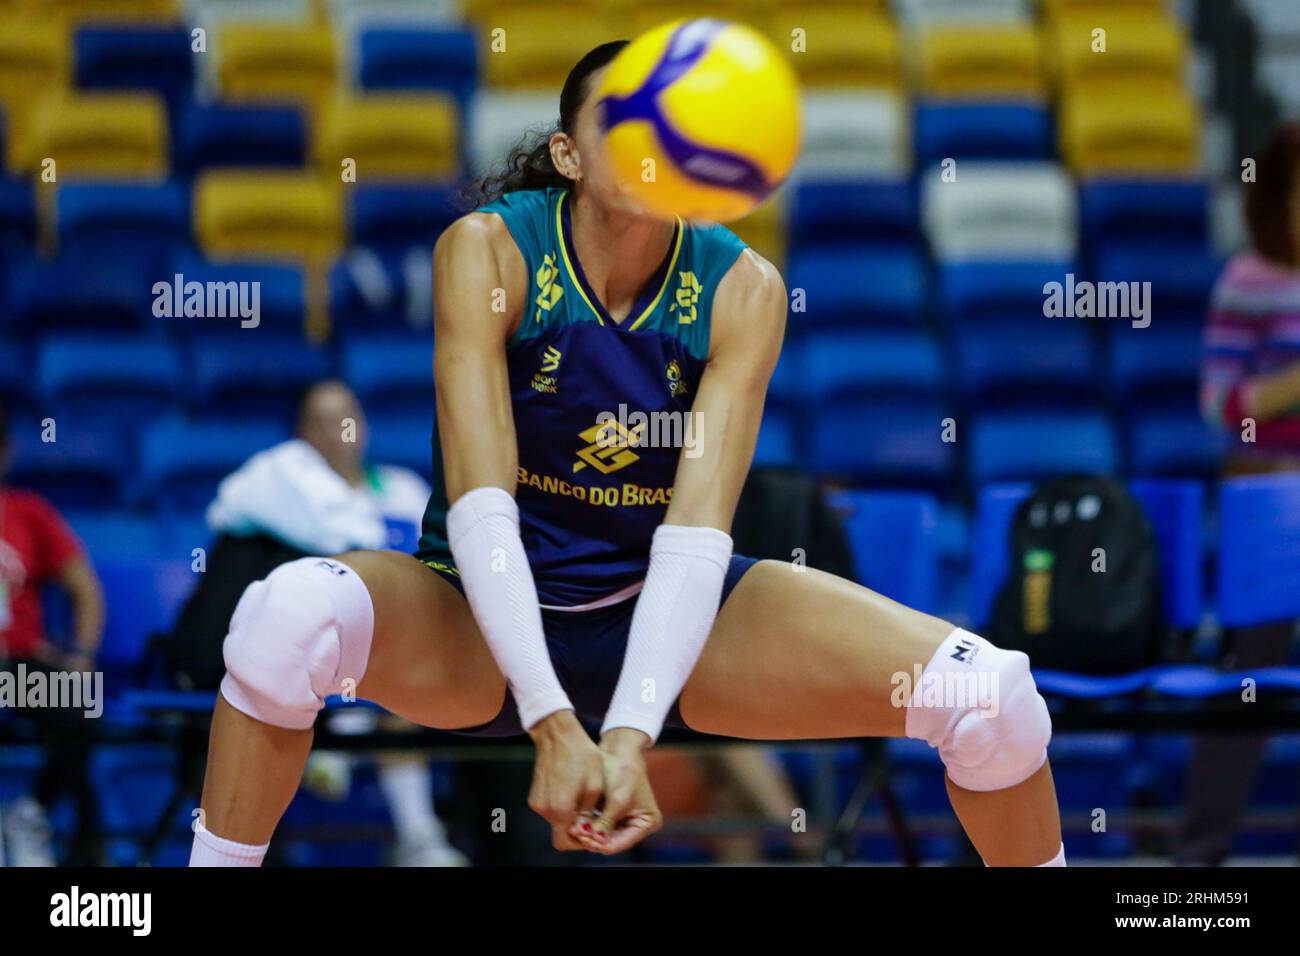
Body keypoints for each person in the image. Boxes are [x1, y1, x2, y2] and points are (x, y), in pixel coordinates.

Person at [190, 39, 1063, 867]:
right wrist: (552, 722)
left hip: (665, 611)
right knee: (284, 619)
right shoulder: (491, 251)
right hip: (481, 619)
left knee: (990, 698)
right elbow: (480, 503)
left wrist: (628, 732)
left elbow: (694, 536)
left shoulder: (740, 287)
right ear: (570, 157)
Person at [170, 381, 465, 866]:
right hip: (328, 653)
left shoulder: (406, 490)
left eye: (346, 417)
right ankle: (344, 738)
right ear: (302, 432)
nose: (337, 431)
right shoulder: (291, 495)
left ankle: (418, 834)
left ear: (364, 425)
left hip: (406, 646)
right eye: (322, 420)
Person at [1177, 123, 1300, 865]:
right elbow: (1224, 405)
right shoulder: (1251, 282)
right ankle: (1198, 856)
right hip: (1272, 513)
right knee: (1246, 690)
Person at [0, 405, 105, 865]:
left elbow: (86, 590)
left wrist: (80, 654)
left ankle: (31, 814)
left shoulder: (28, 512)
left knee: (79, 706)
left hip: (16, 666)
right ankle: (87, 848)